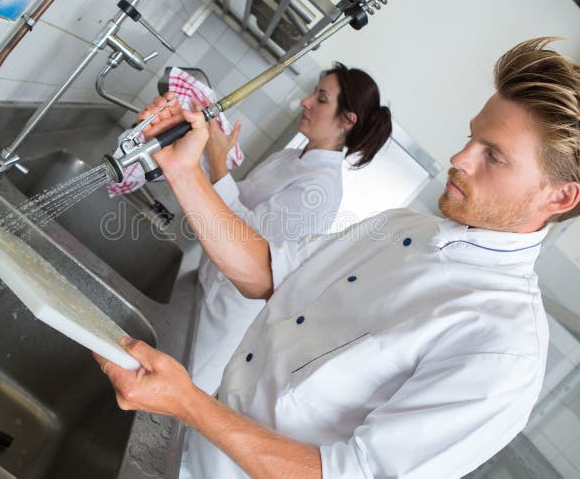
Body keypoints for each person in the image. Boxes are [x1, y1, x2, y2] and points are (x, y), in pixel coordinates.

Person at [93, 38, 580, 478]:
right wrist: (184, 170)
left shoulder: (504, 348)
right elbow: (267, 273)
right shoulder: (404, 228)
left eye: (492, 156)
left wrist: (188, 403)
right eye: (471, 138)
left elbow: (352, 474)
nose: (459, 158)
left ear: (559, 197)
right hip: (185, 450)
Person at [142, 64, 392, 394]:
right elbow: (236, 201)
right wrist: (206, 154)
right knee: (146, 371)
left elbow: (247, 238)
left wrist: (217, 160)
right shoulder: (290, 157)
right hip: (202, 282)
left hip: (223, 315)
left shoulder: (321, 190)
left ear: (347, 121)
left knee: (166, 393)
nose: (305, 102)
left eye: (320, 98)